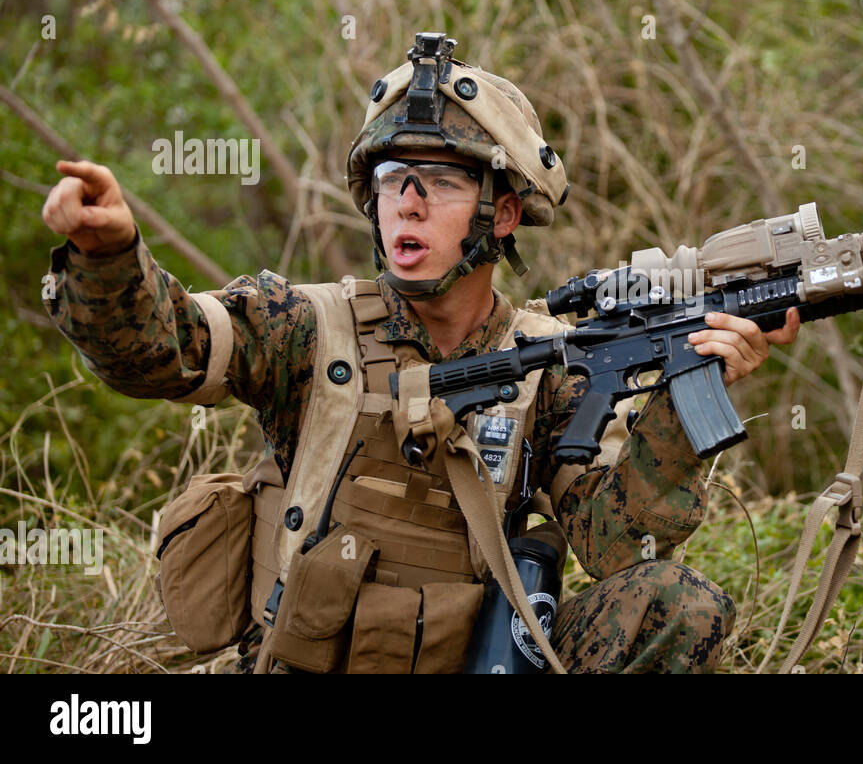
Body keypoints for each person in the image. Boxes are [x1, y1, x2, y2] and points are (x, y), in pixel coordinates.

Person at [40, 33, 799, 673]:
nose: (407, 200)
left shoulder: (550, 360)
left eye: (438, 181)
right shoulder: (304, 325)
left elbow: (618, 544)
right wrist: (110, 257)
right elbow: (161, 349)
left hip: (475, 660)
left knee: (676, 602)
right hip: (301, 663)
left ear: (501, 213)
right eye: (392, 179)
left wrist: (685, 393)